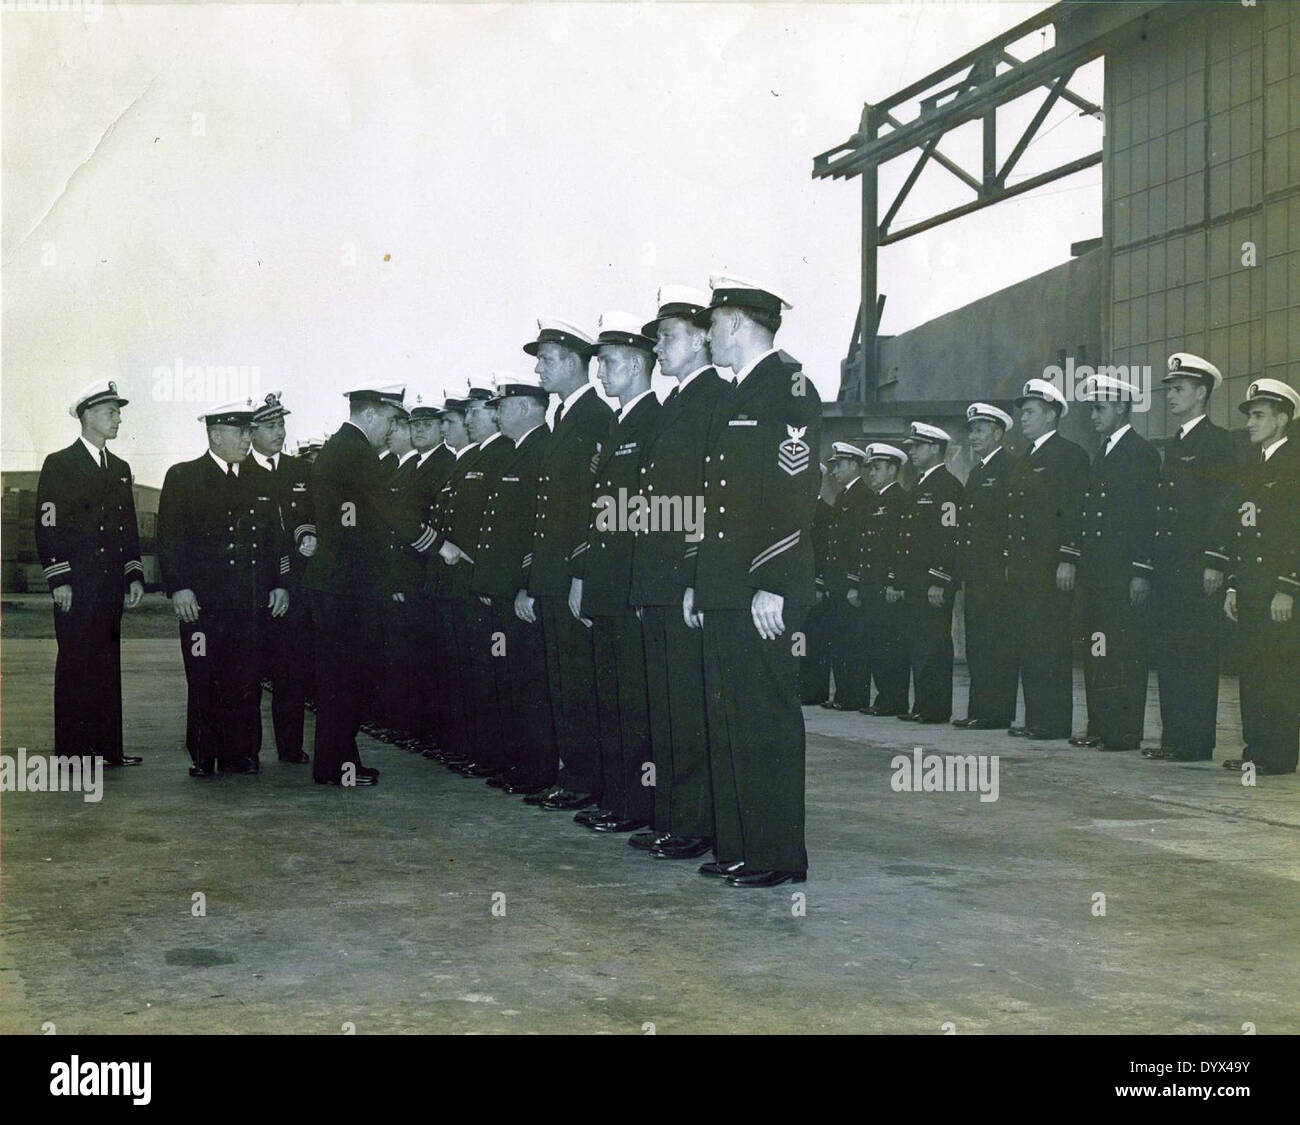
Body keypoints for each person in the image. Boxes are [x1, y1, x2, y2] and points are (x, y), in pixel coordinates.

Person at [688, 274, 821, 888]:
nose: (708, 335)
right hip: (722, 587)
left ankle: (775, 855)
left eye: (712, 325)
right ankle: (738, 846)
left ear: (737, 323)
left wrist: (772, 581)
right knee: (726, 718)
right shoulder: (732, 393)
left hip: (762, 588)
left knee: (764, 718)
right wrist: (700, 582)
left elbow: (794, 492)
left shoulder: (788, 387)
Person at [302, 382, 452, 787]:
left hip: (337, 583)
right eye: (388, 420)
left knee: (341, 679)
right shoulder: (356, 452)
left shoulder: (342, 448)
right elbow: (390, 510)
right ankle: (336, 766)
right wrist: (439, 545)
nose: (391, 429)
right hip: (346, 586)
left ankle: (339, 762)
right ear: (369, 415)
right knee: (344, 680)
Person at [629, 286, 729, 860]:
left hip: (683, 578)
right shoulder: (676, 404)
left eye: (666, 337)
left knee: (689, 709)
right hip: (660, 578)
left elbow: (707, 499)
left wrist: (691, 577)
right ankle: (673, 815)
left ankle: (693, 825)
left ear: (699, 340)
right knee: (666, 705)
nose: (658, 347)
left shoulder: (715, 398)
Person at [157, 399, 290, 778]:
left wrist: (280, 584)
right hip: (201, 605)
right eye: (240, 432)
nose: (248, 439)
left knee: (246, 677)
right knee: (203, 675)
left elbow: (276, 540)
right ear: (215, 435)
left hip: (247, 602)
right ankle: (204, 753)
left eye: (250, 432)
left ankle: (242, 752)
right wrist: (179, 588)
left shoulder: (261, 480)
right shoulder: (184, 476)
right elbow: (170, 539)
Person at [570, 312, 662, 834]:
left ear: (633, 362)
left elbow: (646, 516)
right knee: (612, 697)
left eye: (606, 362)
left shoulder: (651, 421)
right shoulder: (618, 422)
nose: (600, 371)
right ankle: (616, 797)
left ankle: (637, 804)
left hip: (629, 587)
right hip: (606, 585)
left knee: (635, 703)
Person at [517, 318, 613, 814]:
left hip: (573, 573)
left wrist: (580, 573)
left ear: (576, 361)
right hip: (552, 574)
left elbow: (594, 507)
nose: (538, 368)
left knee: (579, 681)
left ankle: (585, 779)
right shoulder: (560, 421)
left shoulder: (595, 418)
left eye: (547, 359)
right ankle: (570, 773)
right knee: (560, 679)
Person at [34, 380, 146, 769]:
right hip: (77, 585)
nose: (118, 418)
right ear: (88, 415)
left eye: (118, 412)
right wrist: (58, 578)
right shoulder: (59, 463)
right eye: (110, 412)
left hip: (109, 586)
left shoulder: (119, 468)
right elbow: (47, 524)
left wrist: (133, 573)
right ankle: (73, 754)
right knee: (76, 666)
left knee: (107, 665)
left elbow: (127, 525)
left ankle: (108, 750)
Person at [1143, 353, 1235, 763]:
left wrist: (1215, 560)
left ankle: (1195, 742)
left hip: (1198, 567)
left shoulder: (1217, 443)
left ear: (1202, 393)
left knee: (1196, 653)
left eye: (1179, 389)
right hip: (1170, 567)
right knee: (1171, 652)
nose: (1171, 397)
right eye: (1169, 390)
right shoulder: (1176, 444)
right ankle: (1174, 738)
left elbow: (1223, 506)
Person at [471, 373, 556, 793]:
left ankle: (536, 768)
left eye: (501, 406)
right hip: (502, 589)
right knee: (509, 678)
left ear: (524, 407)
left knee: (528, 682)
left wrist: (527, 584)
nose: (497, 414)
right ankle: (517, 762)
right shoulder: (516, 452)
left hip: (520, 591)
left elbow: (538, 530)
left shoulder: (543, 450)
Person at [1070, 373, 1160, 752]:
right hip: (1097, 574)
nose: (1093, 415)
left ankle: (1122, 731)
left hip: (1123, 574)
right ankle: (1100, 725)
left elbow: (1146, 517)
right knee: (1098, 646)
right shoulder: (1102, 454)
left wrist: (1141, 570)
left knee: (1124, 651)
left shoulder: (1140, 453)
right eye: (1092, 408)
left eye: (1100, 407)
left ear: (1122, 408)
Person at [1223, 378, 1300, 776]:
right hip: (1252, 586)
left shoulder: (1294, 463)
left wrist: (1287, 586)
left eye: (1259, 415)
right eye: (1250, 416)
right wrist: (1235, 583)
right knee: (1253, 669)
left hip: (1278, 589)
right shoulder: (1253, 464)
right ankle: (1257, 749)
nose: (1250, 423)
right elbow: (1243, 530)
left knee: (1281, 671)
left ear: (1283, 418)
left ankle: (1281, 754)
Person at [1005, 378, 1088, 743]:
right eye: (1022, 412)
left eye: (1030, 412)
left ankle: (1053, 722)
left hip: (1051, 566)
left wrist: (1068, 557)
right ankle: (1037, 716)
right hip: (1026, 567)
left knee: (1051, 644)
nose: (1022, 419)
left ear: (1051, 414)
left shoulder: (1068, 455)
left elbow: (1073, 511)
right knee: (1031, 643)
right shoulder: (1029, 459)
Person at [245, 391, 315, 765]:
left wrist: (307, 532)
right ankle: (249, 750)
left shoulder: (300, 471)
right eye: (271, 425)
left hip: (295, 589)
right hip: (258, 588)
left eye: (282, 424)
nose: (280, 432)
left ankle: (290, 748)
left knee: (292, 673)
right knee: (251, 674)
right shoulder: (241, 472)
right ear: (251, 431)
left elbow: (310, 513)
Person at [954, 403, 1016, 730]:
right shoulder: (978, 472)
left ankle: (996, 712)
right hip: (977, 571)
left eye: (980, 430)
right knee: (978, 642)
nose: (973, 437)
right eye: (971, 430)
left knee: (997, 643)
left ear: (997, 432)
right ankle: (980, 709)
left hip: (997, 572)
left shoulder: (1008, 467)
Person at [897, 422, 962, 724]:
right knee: (918, 643)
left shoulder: (946, 487)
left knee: (934, 642)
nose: (911, 451)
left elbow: (949, 538)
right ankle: (923, 704)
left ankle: (935, 708)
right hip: (916, 581)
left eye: (917, 446)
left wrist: (940, 579)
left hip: (933, 581)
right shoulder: (920, 486)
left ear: (935, 448)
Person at [859, 442, 910, 716]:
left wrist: (894, 581)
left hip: (886, 585)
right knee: (876, 643)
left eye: (877, 468)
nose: (872, 474)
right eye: (870, 469)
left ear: (893, 469)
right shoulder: (874, 501)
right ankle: (884, 697)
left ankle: (894, 699)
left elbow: (900, 547)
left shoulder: (899, 500)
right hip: (871, 584)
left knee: (891, 644)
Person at [823, 443, 871, 711]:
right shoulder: (843, 496)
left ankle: (854, 696)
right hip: (838, 582)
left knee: (854, 642)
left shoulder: (862, 496)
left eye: (838, 465)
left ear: (854, 465)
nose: (834, 471)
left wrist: (854, 583)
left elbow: (858, 546)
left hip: (850, 582)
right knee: (840, 640)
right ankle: (843, 694)